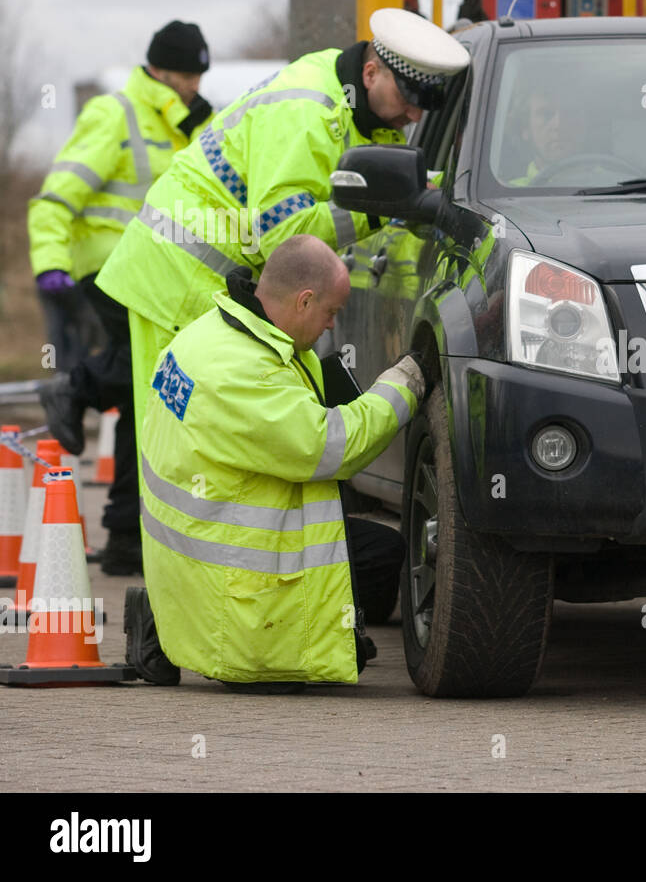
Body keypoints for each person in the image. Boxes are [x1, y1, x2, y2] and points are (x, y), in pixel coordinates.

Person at [92, 8, 469, 508]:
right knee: (177, 448)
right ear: (371, 71)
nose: (415, 116)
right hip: (174, 281)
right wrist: (381, 212)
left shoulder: (358, 110)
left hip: (207, 282)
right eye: (409, 98)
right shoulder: (308, 114)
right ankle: (171, 572)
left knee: (205, 445)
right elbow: (281, 233)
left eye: (428, 104)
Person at [125, 235, 427, 692]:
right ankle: (225, 645)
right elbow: (332, 448)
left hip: (193, 550)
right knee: (281, 670)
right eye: (330, 312)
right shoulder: (248, 375)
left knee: (380, 551)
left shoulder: (211, 332)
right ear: (304, 301)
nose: (331, 326)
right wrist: (404, 383)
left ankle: (162, 618)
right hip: (236, 577)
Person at [31, 20, 213, 575]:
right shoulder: (116, 114)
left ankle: (126, 536)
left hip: (160, 276)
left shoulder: (189, 125)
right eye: (183, 73)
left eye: (197, 74)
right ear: (157, 69)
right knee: (148, 378)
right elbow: (54, 199)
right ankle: (75, 387)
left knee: (150, 392)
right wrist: (51, 263)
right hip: (111, 268)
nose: (190, 84)